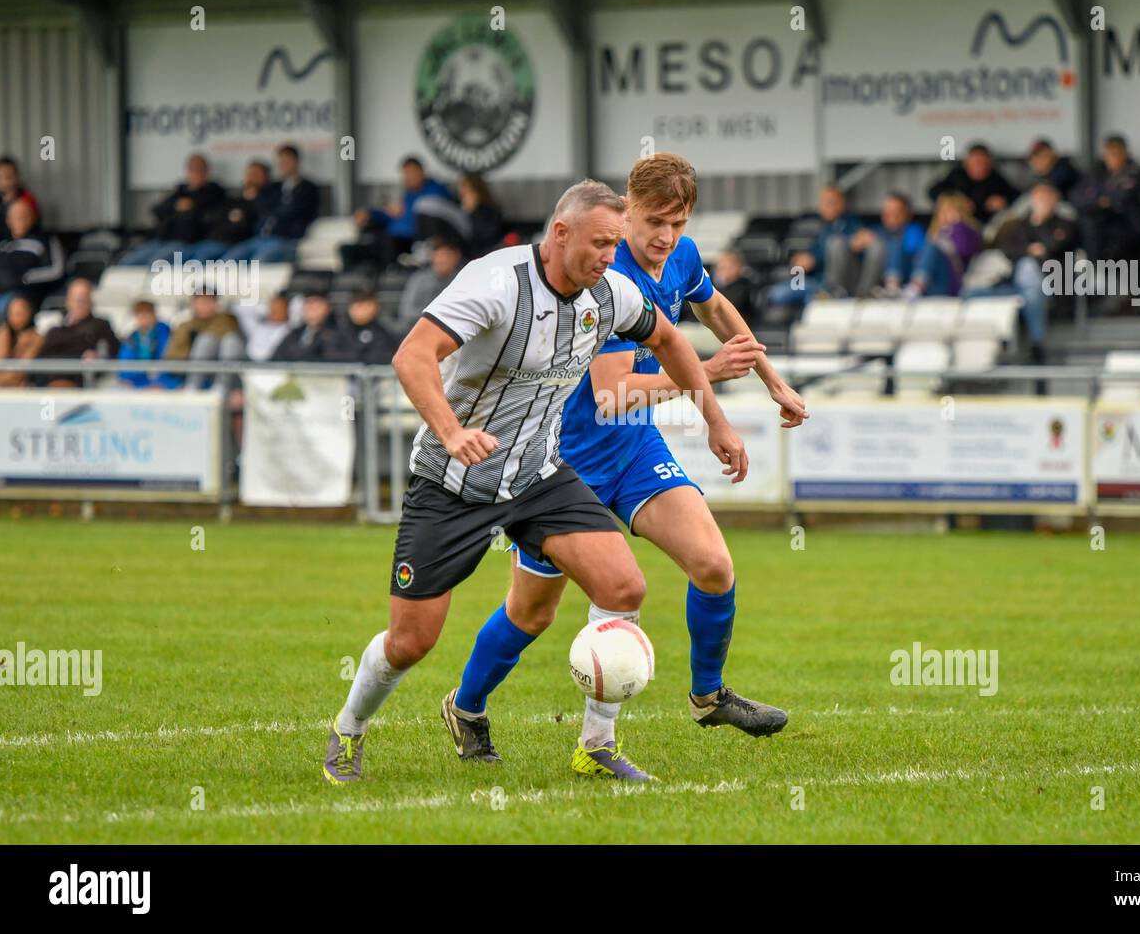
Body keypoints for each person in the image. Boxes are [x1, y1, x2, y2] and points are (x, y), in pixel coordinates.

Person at [322, 178, 746, 784]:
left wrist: (714, 421)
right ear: (560, 233)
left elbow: (671, 339)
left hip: (538, 474)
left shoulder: (612, 292)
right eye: (600, 243)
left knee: (623, 585)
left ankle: (595, 746)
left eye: (615, 243)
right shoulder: (495, 282)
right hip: (454, 480)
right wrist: (450, 432)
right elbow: (411, 356)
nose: (609, 255)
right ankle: (349, 728)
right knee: (410, 641)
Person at [447, 154, 804, 781]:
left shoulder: (683, 255)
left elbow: (717, 311)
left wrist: (771, 383)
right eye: (654, 221)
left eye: (679, 221)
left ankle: (700, 700)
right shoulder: (606, 277)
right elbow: (612, 394)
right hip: (563, 463)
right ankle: (466, 707)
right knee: (533, 612)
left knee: (714, 566)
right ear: (627, 210)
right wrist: (706, 381)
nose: (665, 235)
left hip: (634, 450)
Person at [964, 181, 1078, 361]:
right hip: (1016, 285)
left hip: (1052, 284)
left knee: (1029, 271)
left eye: (1047, 197)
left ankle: (1035, 342)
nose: (1043, 202)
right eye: (1039, 197)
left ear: (1055, 200)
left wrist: (1040, 223)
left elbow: (1054, 247)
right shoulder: (1019, 224)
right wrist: (1030, 249)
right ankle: (1008, 345)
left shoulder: (1065, 223)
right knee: (971, 293)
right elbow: (1007, 249)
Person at [343, 157, 454, 271]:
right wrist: (369, 213)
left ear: (421, 171)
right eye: (405, 174)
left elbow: (432, 216)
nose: (408, 177)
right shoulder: (409, 194)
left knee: (387, 243)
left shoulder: (435, 191)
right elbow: (391, 214)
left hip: (409, 241)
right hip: (389, 236)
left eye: (411, 172)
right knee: (347, 250)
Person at [767, 185, 864, 310]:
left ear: (841, 204)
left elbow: (845, 249)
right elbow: (812, 255)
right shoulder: (824, 228)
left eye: (830, 202)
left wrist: (814, 259)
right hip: (814, 279)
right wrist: (801, 261)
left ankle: (826, 296)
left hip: (836, 285)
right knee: (776, 293)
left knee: (810, 301)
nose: (826, 206)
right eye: (823, 202)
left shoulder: (851, 224)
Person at [119, 154, 227, 266]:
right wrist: (176, 206)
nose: (196, 174)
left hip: (189, 243)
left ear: (207, 172)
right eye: (192, 169)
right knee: (128, 262)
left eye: (200, 170)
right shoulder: (181, 190)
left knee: (156, 263)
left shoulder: (214, 191)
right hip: (163, 239)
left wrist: (191, 206)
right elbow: (157, 210)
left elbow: (211, 217)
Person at [221, 144, 319, 264]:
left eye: (287, 161)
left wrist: (272, 207)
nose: (283, 165)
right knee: (228, 261)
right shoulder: (274, 187)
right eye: (281, 162)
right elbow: (260, 207)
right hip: (260, 238)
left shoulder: (307, 187)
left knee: (259, 262)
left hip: (287, 240)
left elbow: (294, 211)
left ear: (296, 162)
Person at [1072, 133, 1140, 263]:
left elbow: (1123, 198)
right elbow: (1077, 197)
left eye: (1117, 153)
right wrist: (1099, 200)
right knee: (1087, 222)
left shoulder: (1136, 172)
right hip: (1099, 220)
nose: (1114, 157)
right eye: (1110, 153)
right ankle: (1095, 267)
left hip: (1126, 221)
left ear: (1125, 153)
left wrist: (1100, 198)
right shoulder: (1096, 172)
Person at [33, 277, 119, 388]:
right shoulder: (55, 330)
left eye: (83, 299)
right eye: (75, 299)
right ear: (68, 301)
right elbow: (41, 359)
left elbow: (111, 351)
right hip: (49, 380)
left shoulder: (100, 325)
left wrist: (98, 356)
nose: (79, 303)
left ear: (91, 301)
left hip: (80, 381)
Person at [186, 160, 275, 262]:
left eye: (256, 174)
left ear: (265, 178)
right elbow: (215, 217)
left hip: (236, 243)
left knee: (203, 261)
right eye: (249, 173)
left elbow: (255, 223)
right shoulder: (234, 199)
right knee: (183, 257)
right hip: (210, 240)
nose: (251, 177)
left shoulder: (268, 199)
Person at [906, 193, 982, 297]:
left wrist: (957, 225)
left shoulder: (968, 230)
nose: (946, 215)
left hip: (952, 283)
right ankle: (911, 287)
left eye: (950, 211)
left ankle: (916, 287)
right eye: (943, 211)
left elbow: (964, 250)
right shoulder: (936, 232)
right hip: (931, 282)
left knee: (932, 248)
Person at [164, 291, 244, 389]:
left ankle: (220, 388)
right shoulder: (184, 327)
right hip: (188, 379)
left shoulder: (228, 322)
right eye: (200, 301)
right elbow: (172, 360)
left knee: (226, 341)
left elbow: (235, 353)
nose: (203, 306)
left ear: (216, 304)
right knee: (206, 341)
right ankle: (192, 387)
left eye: (207, 301)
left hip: (224, 383)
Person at [852, 191, 927, 295]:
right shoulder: (877, 229)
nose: (890, 215)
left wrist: (878, 240)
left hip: (904, 280)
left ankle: (881, 289)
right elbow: (855, 245)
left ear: (907, 213)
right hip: (875, 279)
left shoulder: (914, 230)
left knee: (891, 246)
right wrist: (856, 242)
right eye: (887, 211)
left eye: (895, 211)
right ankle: (863, 291)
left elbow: (911, 251)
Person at [927, 143, 1018, 225]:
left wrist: (1003, 201)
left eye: (983, 163)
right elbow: (933, 192)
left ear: (989, 163)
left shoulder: (996, 179)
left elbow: (1015, 196)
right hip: (957, 223)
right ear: (966, 163)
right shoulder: (957, 176)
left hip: (987, 226)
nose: (979, 167)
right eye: (976, 162)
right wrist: (958, 202)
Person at [398, 237, 463, 332]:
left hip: (456, 334)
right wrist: (437, 315)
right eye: (437, 255)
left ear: (456, 256)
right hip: (420, 331)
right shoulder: (419, 279)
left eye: (446, 255)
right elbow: (406, 313)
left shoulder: (463, 278)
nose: (441, 260)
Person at [0, 198, 53, 313]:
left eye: (25, 215)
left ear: (33, 218)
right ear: (8, 220)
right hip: (2, 293)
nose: (21, 219)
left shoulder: (44, 242)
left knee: (13, 305)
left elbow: (55, 271)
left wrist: (25, 278)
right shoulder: (3, 245)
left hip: (24, 295)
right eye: (17, 216)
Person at [118, 299, 179, 389]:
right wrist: (128, 380)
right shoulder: (131, 339)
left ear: (154, 315)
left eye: (147, 314)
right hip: (139, 382)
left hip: (165, 381)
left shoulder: (166, 334)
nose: (144, 318)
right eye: (140, 315)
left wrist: (159, 379)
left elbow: (169, 359)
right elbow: (125, 365)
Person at [329, 290, 400, 365]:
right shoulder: (340, 332)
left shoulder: (385, 333)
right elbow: (331, 356)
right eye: (353, 305)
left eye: (361, 305)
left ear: (374, 306)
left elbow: (384, 357)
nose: (356, 309)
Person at [271, 292, 340, 362]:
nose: (311, 307)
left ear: (328, 307)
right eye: (308, 303)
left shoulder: (338, 334)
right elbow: (276, 359)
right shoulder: (294, 334)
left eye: (317, 303)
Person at [708, 249, 762, 324]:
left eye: (728, 267)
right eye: (720, 268)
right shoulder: (714, 285)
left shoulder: (744, 285)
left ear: (738, 268)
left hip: (741, 326)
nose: (723, 272)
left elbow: (729, 306)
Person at [457, 172, 505, 258]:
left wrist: (473, 213)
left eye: (468, 191)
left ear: (477, 192)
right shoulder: (460, 209)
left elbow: (487, 237)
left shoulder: (490, 211)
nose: (464, 196)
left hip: (486, 254)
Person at [0, 294, 43, 387]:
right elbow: (1, 359)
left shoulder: (37, 338)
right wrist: (4, 338)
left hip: (22, 387)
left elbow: (20, 372)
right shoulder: (4, 333)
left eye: (19, 314)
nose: (16, 318)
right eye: (12, 314)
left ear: (30, 313)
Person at [233, 293, 291, 362]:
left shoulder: (290, 328)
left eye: (279, 308)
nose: (274, 311)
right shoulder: (258, 327)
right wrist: (263, 308)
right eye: (272, 307)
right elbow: (238, 308)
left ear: (287, 309)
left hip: (275, 365)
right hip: (250, 365)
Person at [0, 157, 41, 241]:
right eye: (0, 177)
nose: (5, 181)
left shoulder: (28, 200)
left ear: (16, 177)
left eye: (8, 176)